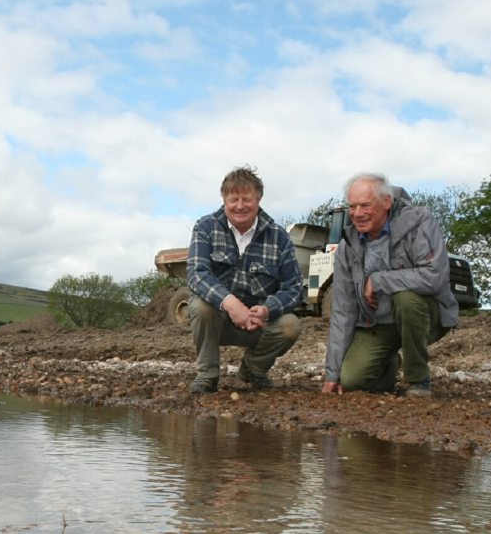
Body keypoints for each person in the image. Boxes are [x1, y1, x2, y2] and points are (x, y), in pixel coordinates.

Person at [321, 172, 459, 398]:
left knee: (405, 299)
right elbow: (343, 311)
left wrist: (379, 280)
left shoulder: (419, 222)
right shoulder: (347, 246)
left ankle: (418, 381)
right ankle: (388, 363)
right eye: (352, 206)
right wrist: (332, 374)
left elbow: (435, 277)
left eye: (365, 205)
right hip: (377, 323)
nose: (357, 214)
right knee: (351, 380)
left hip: (425, 316)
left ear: (386, 202)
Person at [185, 165, 304, 393]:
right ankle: (207, 376)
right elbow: (197, 274)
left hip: (258, 321)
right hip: (217, 320)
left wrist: (267, 309)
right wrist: (231, 304)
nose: (240, 206)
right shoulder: (205, 227)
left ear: (258, 199)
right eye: (234, 199)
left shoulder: (279, 237)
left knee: (291, 325)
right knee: (201, 306)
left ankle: (253, 370)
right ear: (224, 199)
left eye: (247, 199)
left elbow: (294, 288)